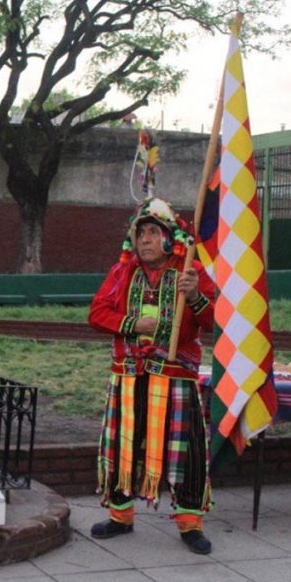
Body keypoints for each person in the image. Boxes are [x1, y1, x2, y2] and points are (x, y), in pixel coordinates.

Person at [88, 197, 216, 555]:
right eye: (140, 232)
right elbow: (97, 313)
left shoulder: (190, 271)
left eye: (152, 231)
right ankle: (120, 515)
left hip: (175, 378)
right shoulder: (122, 272)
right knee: (122, 446)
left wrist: (194, 299)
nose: (145, 239)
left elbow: (214, 322)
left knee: (186, 450)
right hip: (129, 377)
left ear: (168, 237)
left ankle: (190, 523)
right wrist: (131, 325)